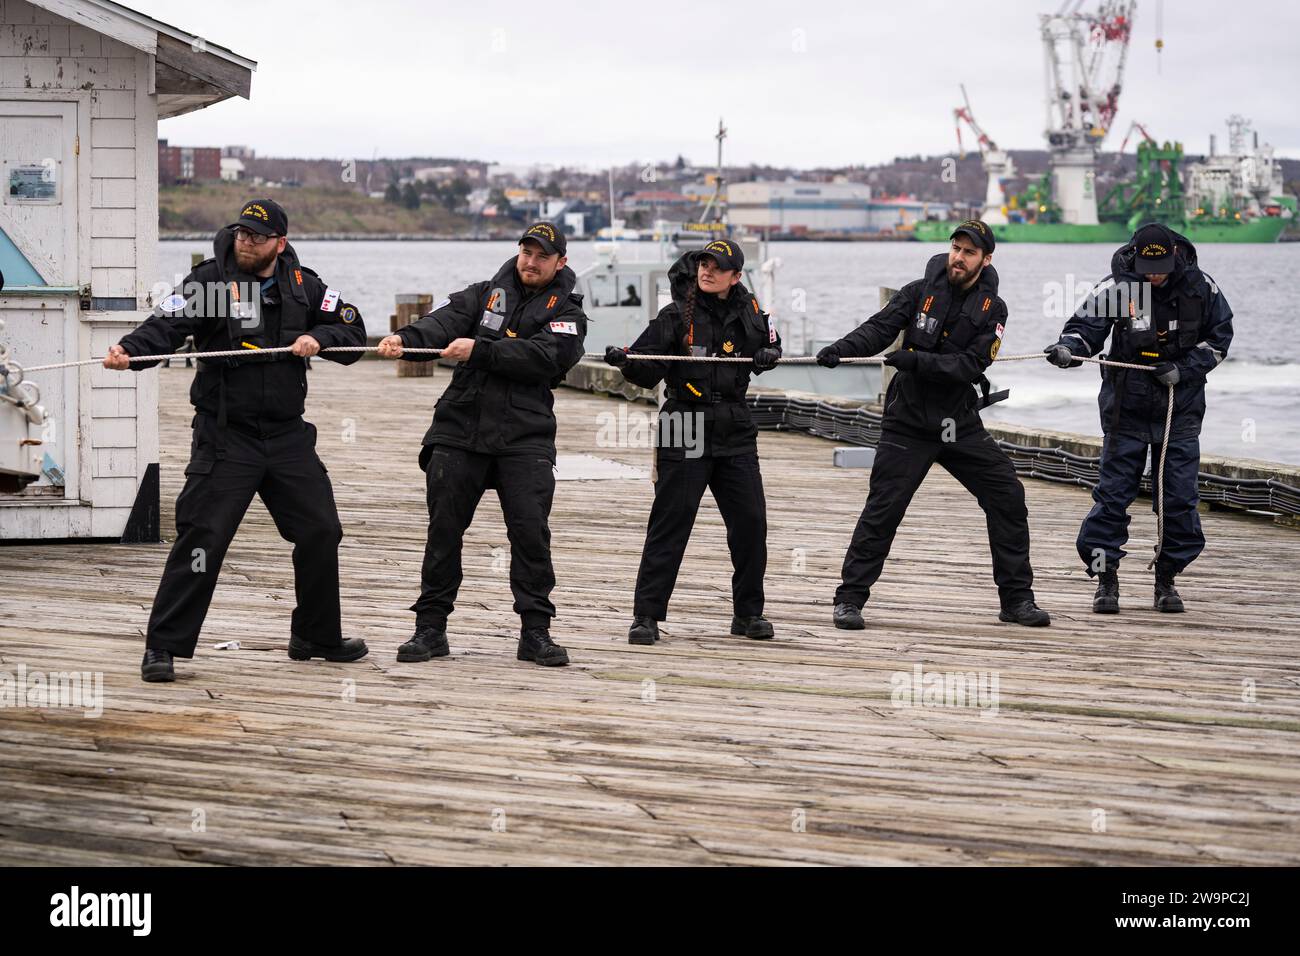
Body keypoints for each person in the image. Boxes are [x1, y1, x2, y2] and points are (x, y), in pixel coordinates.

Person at [104, 198, 369, 682]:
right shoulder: (209, 283)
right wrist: (129, 352)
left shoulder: (304, 284)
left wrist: (321, 340)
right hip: (227, 437)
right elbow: (166, 327)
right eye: (242, 233)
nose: (246, 242)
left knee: (321, 530)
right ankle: (163, 645)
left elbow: (354, 329)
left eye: (257, 237)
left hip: (288, 436)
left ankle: (315, 634)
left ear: (279, 244)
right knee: (204, 538)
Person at [816, 220, 1050, 629]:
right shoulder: (918, 290)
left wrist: (915, 360)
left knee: (1008, 496)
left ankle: (1017, 600)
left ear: (986, 259)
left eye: (969, 252)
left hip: (958, 423)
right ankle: (849, 599)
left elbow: (970, 365)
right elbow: (878, 329)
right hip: (908, 422)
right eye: (955, 248)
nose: (958, 257)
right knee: (883, 509)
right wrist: (840, 350)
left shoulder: (994, 309)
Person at [378, 222, 587, 666]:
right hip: (460, 428)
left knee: (531, 535)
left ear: (560, 262)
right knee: (443, 532)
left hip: (525, 434)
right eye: (526, 252)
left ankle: (536, 633)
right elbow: (443, 322)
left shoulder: (569, 312)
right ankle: (429, 629)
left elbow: (548, 358)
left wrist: (482, 351)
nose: (531, 262)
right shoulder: (483, 293)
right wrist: (407, 339)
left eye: (542, 256)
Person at [1045, 222, 1233, 613]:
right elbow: (1083, 329)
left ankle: (1166, 580)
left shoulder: (1202, 288)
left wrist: (1184, 369)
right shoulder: (1117, 287)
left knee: (1179, 500)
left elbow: (1219, 340)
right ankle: (1105, 579)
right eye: (1149, 269)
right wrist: (1067, 350)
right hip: (1125, 408)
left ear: (1176, 256)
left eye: (1162, 266)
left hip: (1178, 410)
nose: (1155, 275)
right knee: (1112, 497)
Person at [604, 239, 782, 644]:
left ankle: (748, 613)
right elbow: (647, 369)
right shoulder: (674, 316)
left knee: (751, 524)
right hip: (684, 423)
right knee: (670, 522)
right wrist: (626, 361)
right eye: (703, 263)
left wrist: (770, 354)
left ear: (735, 277)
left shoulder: (752, 312)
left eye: (718, 267)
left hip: (735, 426)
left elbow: (772, 343)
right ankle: (646, 616)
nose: (707, 271)